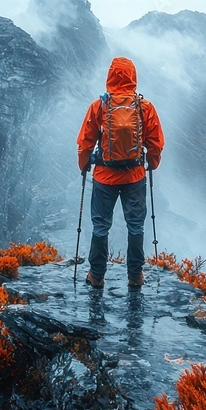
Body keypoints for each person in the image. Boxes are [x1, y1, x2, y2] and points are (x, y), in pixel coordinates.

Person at [77, 56, 165, 289]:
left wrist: (84, 165)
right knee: (135, 226)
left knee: (100, 227)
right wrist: (152, 163)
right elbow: (156, 144)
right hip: (134, 177)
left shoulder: (99, 107)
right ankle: (135, 276)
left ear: (110, 76)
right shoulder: (145, 107)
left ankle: (97, 276)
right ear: (133, 77)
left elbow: (85, 143)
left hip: (104, 178)